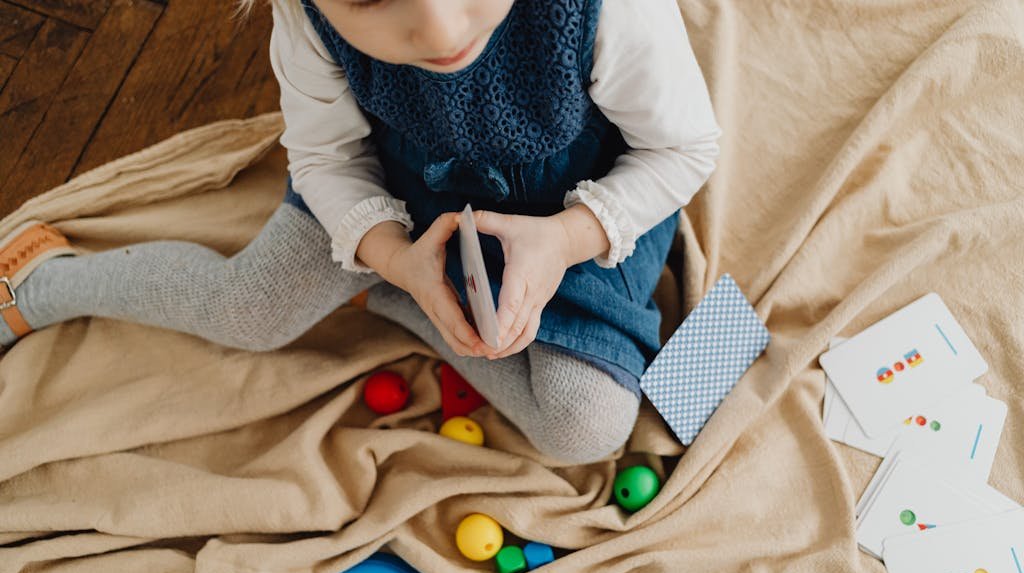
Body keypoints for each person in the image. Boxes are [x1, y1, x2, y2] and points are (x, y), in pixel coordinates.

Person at [0, 0, 720, 464]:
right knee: (247, 312)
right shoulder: (306, 19)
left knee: (586, 430)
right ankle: (42, 282)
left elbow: (684, 150)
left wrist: (565, 239)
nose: (442, 30)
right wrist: (394, 256)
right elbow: (325, 157)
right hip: (396, 190)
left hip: (579, 206)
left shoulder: (609, 11)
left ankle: (381, 301)